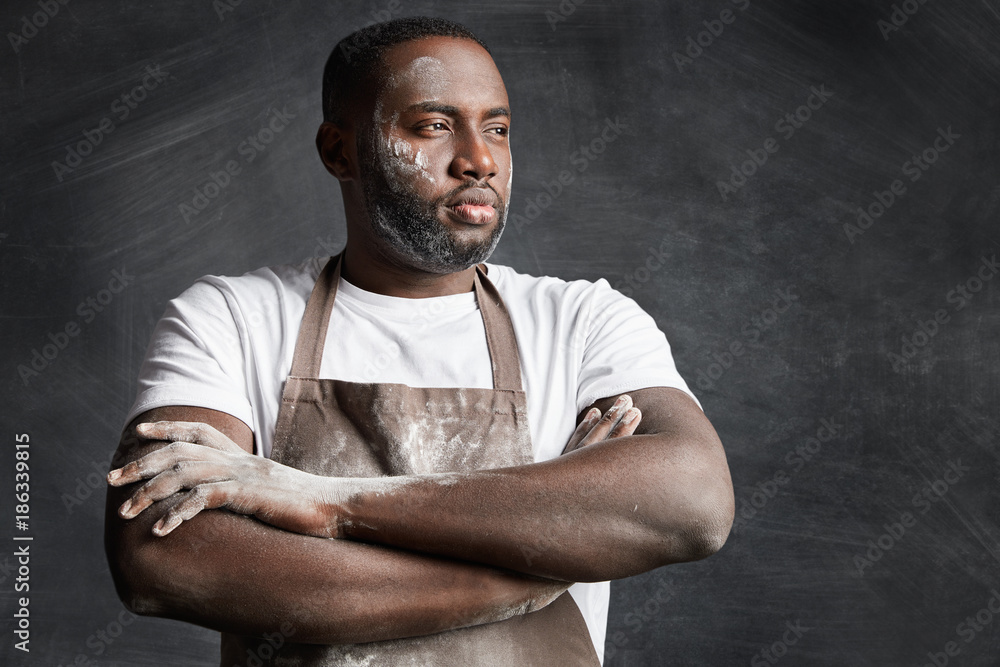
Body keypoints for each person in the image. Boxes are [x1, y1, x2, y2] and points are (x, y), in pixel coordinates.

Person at [104, 16, 734, 666]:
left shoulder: (582, 321)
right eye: (434, 126)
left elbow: (694, 503)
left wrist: (324, 502)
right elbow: (162, 558)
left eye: (497, 128)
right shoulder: (233, 318)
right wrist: (531, 571)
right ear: (338, 151)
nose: (480, 160)